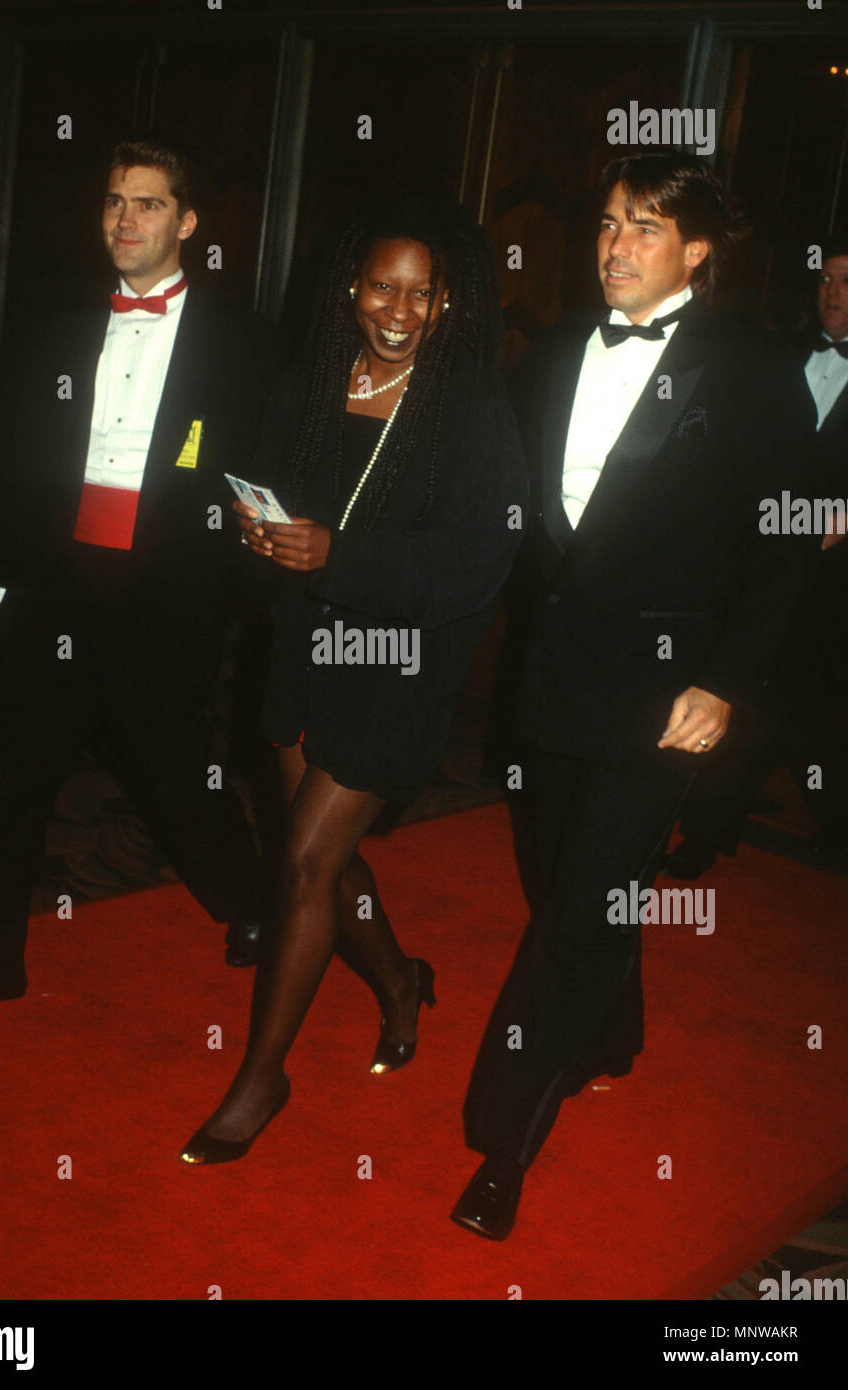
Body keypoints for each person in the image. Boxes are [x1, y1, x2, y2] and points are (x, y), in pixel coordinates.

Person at [453, 153, 819, 1240]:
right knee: (565, 883)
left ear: (695, 252)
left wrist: (726, 682)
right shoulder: (555, 350)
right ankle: (612, 1034)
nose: (613, 245)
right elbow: (503, 507)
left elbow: (789, 547)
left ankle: (503, 1134)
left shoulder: (751, 372)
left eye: (642, 230)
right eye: (608, 223)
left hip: (665, 696)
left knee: (576, 911)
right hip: (549, 678)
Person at [178, 191, 526, 1164]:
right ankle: (401, 977)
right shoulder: (311, 379)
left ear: (448, 302)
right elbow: (259, 480)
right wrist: (256, 530)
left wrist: (336, 556)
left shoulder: (471, 412)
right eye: (384, 285)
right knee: (323, 856)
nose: (401, 309)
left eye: (423, 293)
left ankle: (260, 1077)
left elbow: (475, 567)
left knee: (300, 866)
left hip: (396, 661)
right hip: (301, 644)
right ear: (351, 287)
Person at [0, 136, 278, 1015]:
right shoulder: (50, 316)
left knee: (173, 769)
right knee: (7, 773)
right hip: (50, 576)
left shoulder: (242, 340)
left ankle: (250, 905)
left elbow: (255, 466)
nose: (125, 220)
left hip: (165, 587)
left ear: (186, 220)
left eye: (147, 203)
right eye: (113, 201)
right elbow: (12, 457)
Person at [663, 233, 848, 877]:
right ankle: (703, 833)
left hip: (835, 580)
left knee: (811, 713)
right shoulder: (779, 354)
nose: (833, 293)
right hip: (761, 560)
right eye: (826, 279)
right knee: (734, 690)